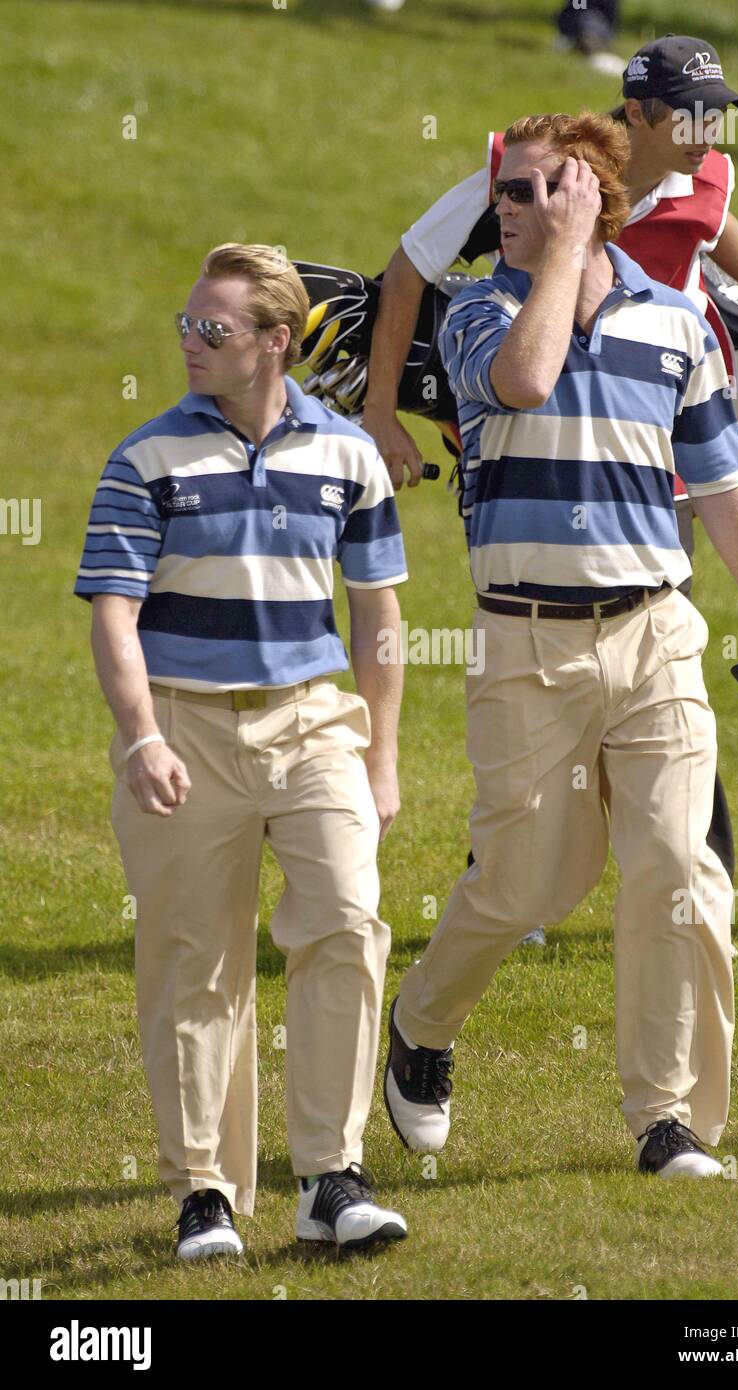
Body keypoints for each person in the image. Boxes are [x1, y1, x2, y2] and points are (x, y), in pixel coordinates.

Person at [382, 114, 738, 1178]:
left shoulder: (673, 325)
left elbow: (718, 485)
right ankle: (421, 1028)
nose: (515, 208)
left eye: (542, 191)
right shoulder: (477, 315)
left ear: (598, 199)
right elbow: (528, 380)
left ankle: (663, 1117)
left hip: (653, 632)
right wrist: (567, 251)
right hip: (524, 644)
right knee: (522, 888)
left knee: (678, 870)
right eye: (511, 193)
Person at [360, 33, 738, 883]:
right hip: (532, 464)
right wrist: (379, 412)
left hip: (656, 468)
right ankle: (510, 879)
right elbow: (405, 271)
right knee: (548, 667)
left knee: (663, 668)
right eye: (691, 113)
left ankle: (696, 873)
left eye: (714, 112)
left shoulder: (707, 176)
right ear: (639, 114)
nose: (707, 130)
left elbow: (715, 229)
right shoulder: (532, 176)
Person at [74, 244, 409, 1257]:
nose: (188, 342)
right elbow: (114, 619)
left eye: (210, 330)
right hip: (182, 726)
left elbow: (377, 614)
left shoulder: (346, 453)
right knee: (193, 963)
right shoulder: (144, 460)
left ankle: (328, 1179)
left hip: (313, 722)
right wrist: (140, 738)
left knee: (347, 924)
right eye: (185, 324)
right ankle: (203, 1195)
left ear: (275, 343)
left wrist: (382, 756)